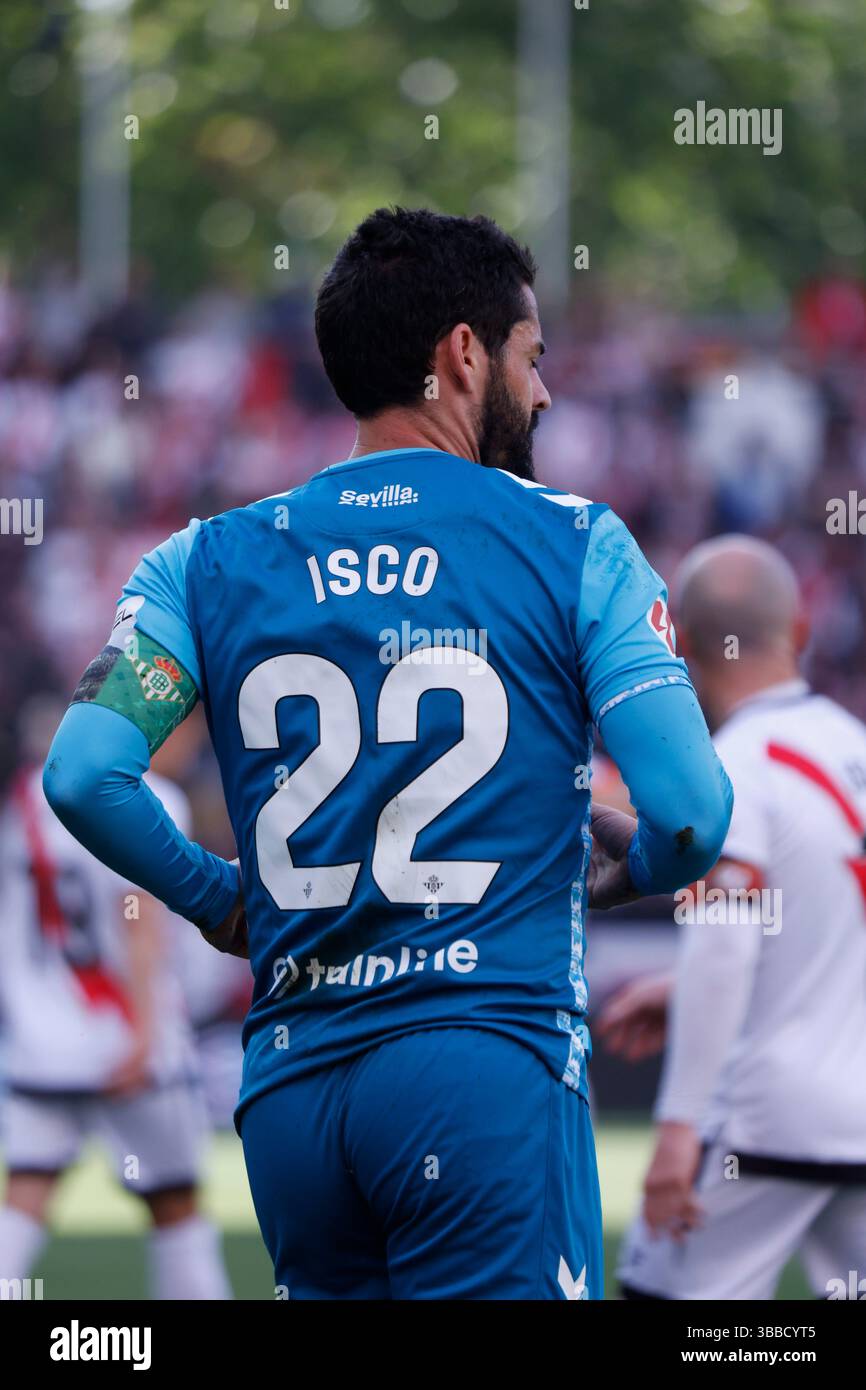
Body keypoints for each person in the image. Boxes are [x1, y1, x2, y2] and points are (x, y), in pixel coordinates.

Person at [43, 208, 731, 1299]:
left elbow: (82, 776)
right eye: (530, 356)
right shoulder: (576, 542)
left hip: (292, 1091)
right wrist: (633, 869)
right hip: (483, 1065)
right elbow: (691, 815)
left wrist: (221, 900)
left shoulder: (202, 560)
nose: (542, 393)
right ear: (464, 353)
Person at [600, 536, 866, 1300]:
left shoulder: (736, 773)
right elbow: (827, 929)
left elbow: (726, 946)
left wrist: (678, 1131)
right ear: (804, 632)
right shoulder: (854, 751)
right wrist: (678, 987)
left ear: (677, 644)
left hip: (767, 1119)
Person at [0, 697, 231, 1300]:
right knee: (175, 1201)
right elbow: (140, 921)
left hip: (40, 1037)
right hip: (126, 1033)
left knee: (24, 1193)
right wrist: (146, 1035)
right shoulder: (145, 797)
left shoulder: (28, 797)